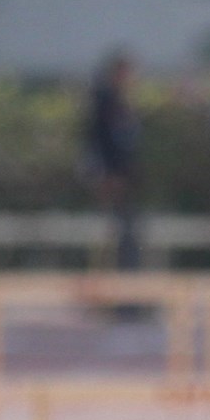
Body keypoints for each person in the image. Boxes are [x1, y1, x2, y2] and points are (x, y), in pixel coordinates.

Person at [82, 50, 141, 270]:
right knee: (108, 225)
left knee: (119, 225)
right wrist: (106, 171)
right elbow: (98, 138)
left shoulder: (117, 99)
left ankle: (118, 271)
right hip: (109, 172)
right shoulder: (104, 99)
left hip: (119, 172)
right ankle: (105, 273)